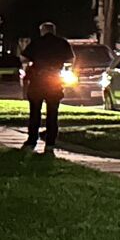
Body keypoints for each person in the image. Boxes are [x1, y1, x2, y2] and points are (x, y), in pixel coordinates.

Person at [19, 22, 73, 155]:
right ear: (53, 31)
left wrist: (31, 66)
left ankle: (32, 141)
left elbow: (24, 57)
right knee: (52, 113)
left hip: (37, 81)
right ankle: (50, 143)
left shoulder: (37, 42)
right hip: (54, 81)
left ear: (43, 31)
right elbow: (70, 60)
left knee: (35, 113)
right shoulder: (62, 43)